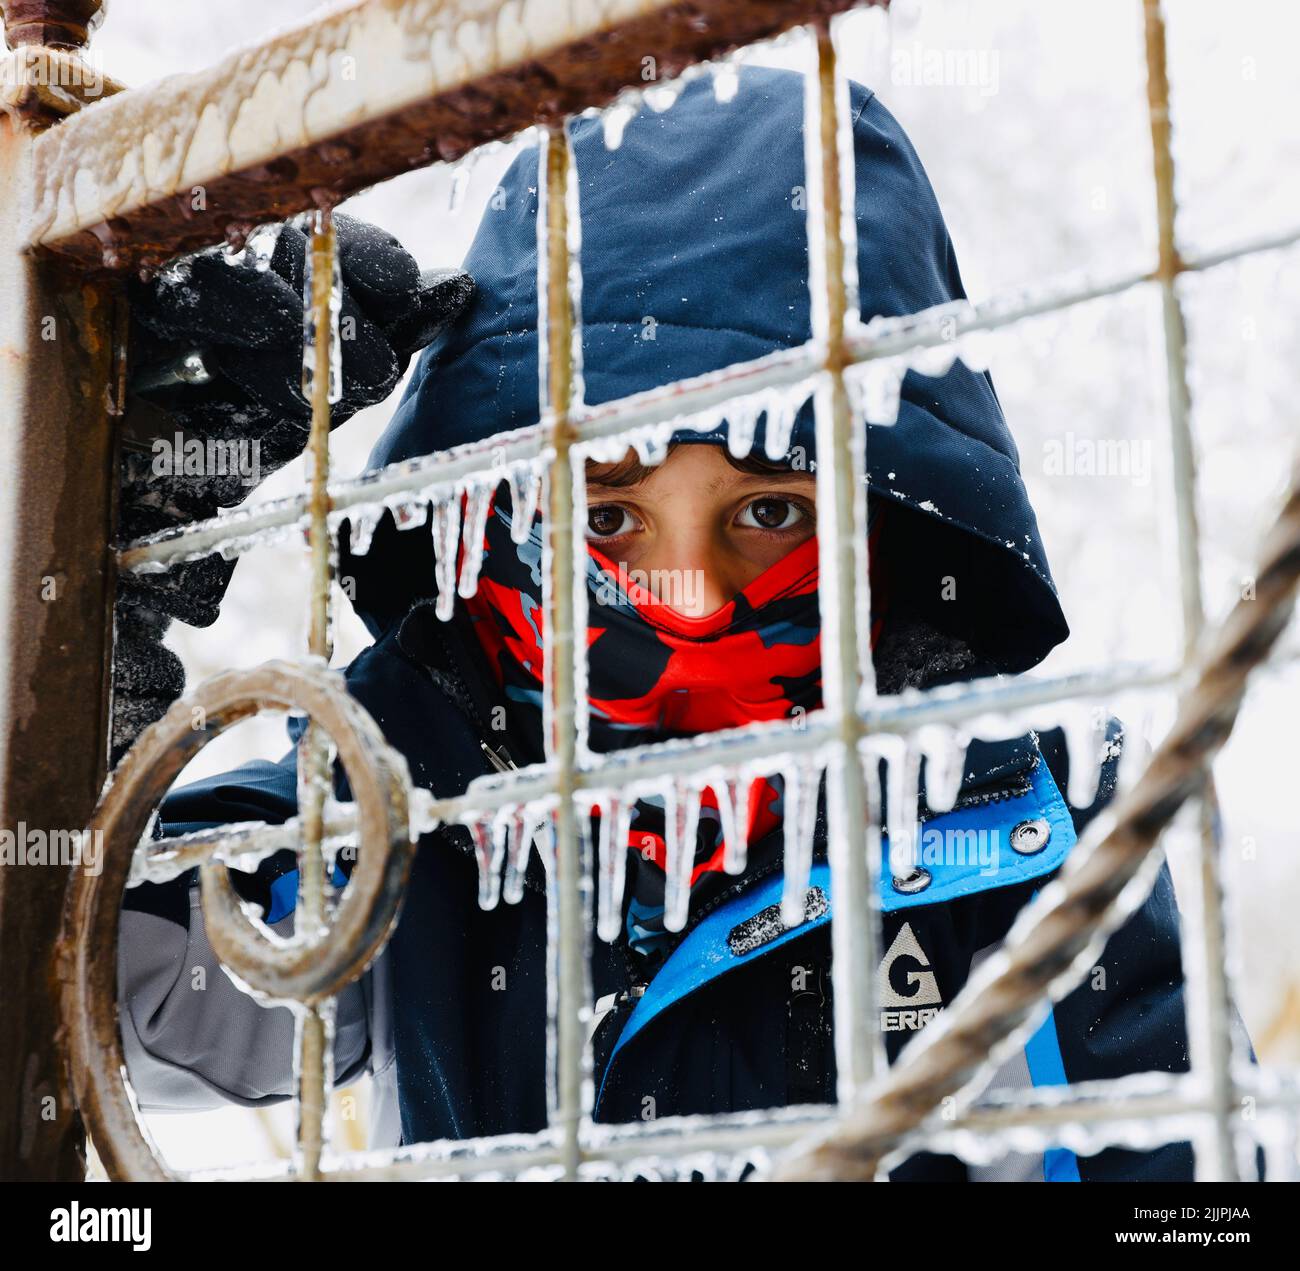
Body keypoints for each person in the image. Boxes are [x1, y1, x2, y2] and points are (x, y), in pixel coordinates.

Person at [117, 67, 1203, 1181]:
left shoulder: (1030, 819)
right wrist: (100, 624)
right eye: (608, 512)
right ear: (501, 513)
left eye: (769, 509)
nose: (687, 595)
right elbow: (91, 993)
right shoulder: (408, 779)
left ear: (881, 512)